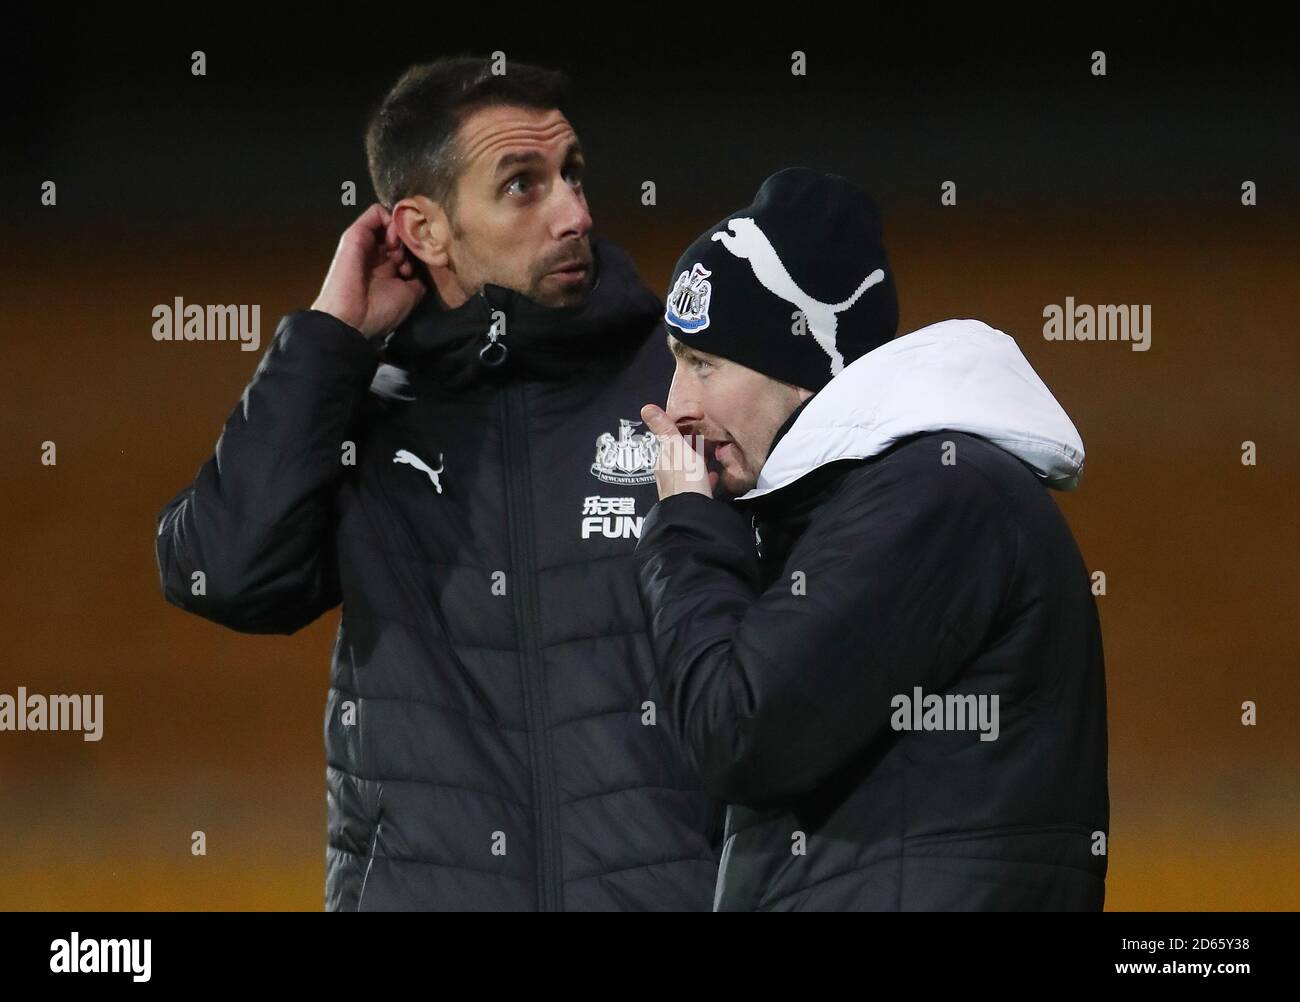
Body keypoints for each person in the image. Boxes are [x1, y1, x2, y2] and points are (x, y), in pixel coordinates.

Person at [155, 56, 722, 911]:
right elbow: (227, 573)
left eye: (571, 173)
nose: (575, 213)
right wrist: (327, 338)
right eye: (523, 186)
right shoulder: (363, 413)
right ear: (423, 230)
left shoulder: (683, 382)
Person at [634, 167, 1109, 910]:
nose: (677, 405)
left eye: (705, 363)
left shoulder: (934, 495)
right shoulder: (866, 501)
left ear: (801, 372)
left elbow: (741, 730)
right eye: (675, 361)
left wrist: (690, 528)